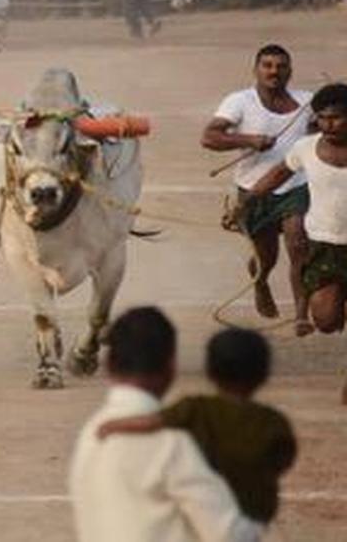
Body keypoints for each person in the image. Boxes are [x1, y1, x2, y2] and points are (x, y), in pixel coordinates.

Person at [68, 307, 264, 541]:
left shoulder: (90, 434)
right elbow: (231, 534)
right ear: (171, 367)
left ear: (108, 365)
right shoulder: (172, 440)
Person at [97, 328, 297, 524]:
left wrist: (112, 426)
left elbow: (152, 422)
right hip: (252, 513)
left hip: (206, 507)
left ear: (210, 372)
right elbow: (283, 460)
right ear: (264, 375)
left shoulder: (195, 408)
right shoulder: (273, 421)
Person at [244, 83, 347, 400]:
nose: (329, 124)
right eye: (323, 118)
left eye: (337, 117)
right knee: (326, 320)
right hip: (323, 244)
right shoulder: (305, 148)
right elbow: (278, 174)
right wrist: (247, 200)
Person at [202, 44, 312, 334]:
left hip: (296, 187)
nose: (274, 71)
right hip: (253, 190)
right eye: (268, 65)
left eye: (281, 66)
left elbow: (325, 131)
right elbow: (209, 137)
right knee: (266, 257)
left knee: (299, 246)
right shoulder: (239, 101)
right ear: (256, 70)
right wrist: (249, 140)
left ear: (290, 71)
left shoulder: (306, 102)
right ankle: (261, 283)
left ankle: (302, 315)